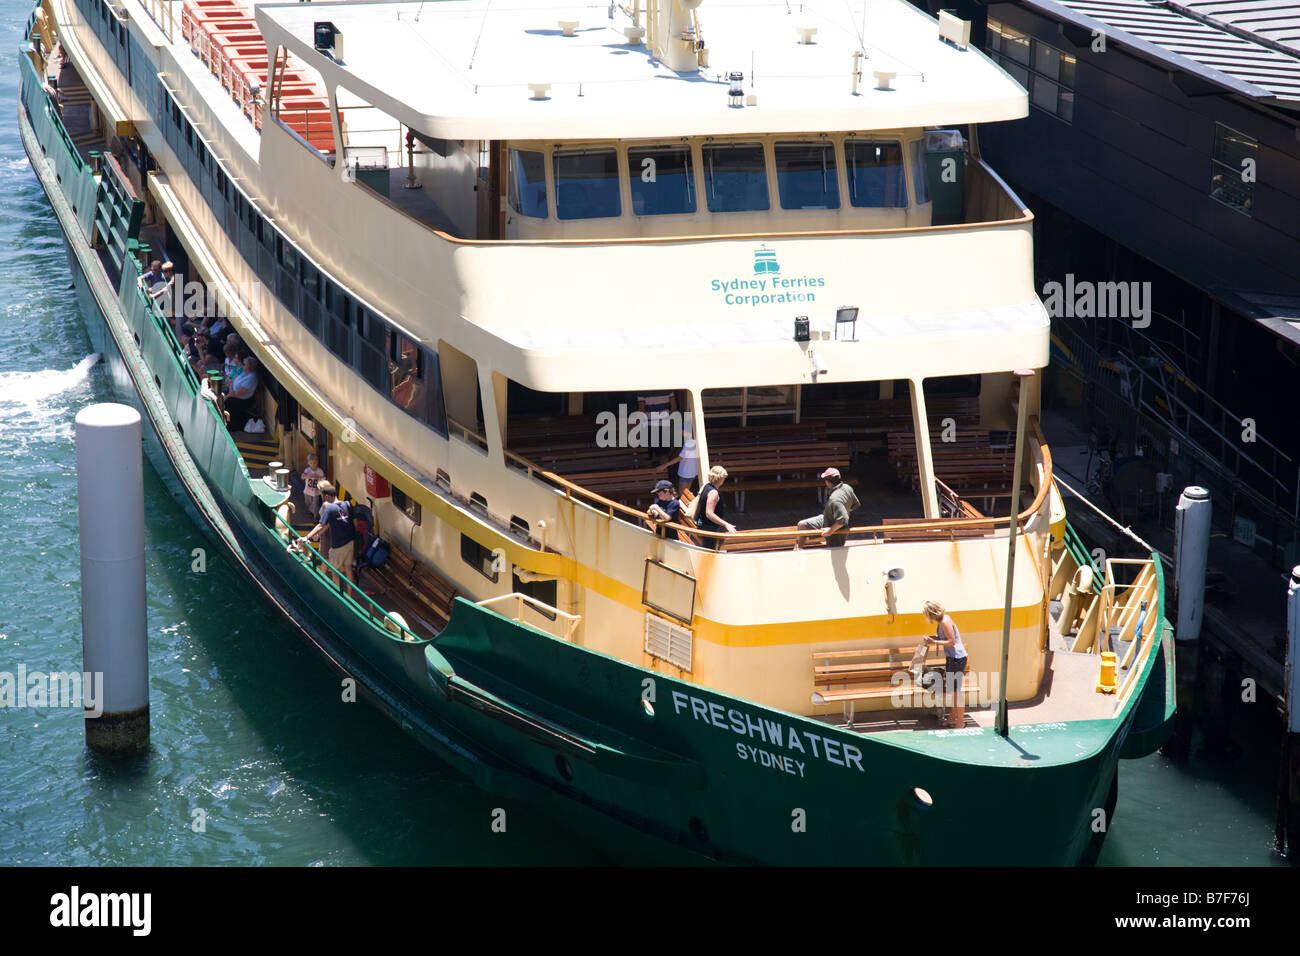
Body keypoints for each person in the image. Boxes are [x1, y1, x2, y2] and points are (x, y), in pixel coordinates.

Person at [923, 600, 968, 728]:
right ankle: (952, 719)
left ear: (932, 613)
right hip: (952, 658)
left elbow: (952, 642)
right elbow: (945, 639)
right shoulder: (943, 620)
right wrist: (932, 638)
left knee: (955, 692)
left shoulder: (945, 622)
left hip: (957, 659)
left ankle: (960, 723)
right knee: (953, 690)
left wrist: (935, 642)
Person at [304, 482, 355, 587]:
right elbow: (354, 522)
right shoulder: (347, 504)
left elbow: (322, 525)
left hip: (336, 543)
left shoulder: (329, 507)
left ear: (326, 496)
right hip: (350, 542)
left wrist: (308, 536)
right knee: (348, 568)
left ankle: (339, 595)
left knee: (334, 571)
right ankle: (349, 596)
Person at [797, 467, 859, 546]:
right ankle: (799, 549)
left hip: (835, 528)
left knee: (833, 550)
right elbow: (855, 505)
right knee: (802, 525)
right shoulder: (847, 487)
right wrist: (841, 511)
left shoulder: (835, 499)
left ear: (828, 482)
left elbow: (843, 519)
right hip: (826, 518)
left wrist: (830, 531)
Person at [696, 465, 736, 550]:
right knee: (709, 551)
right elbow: (709, 513)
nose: (724, 480)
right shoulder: (713, 493)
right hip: (708, 527)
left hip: (704, 524)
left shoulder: (707, 486)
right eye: (723, 478)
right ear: (719, 479)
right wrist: (726, 524)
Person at [658, 417, 699, 494]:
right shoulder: (696, 442)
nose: (681, 432)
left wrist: (665, 465)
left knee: (681, 495)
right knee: (686, 494)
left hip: (686, 472)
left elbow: (680, 458)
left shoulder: (689, 443)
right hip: (693, 472)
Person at [223, 356, 260, 431]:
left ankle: (231, 426)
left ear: (249, 366)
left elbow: (238, 394)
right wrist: (230, 391)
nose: (243, 365)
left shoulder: (252, 378)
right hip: (232, 394)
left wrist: (229, 394)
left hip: (242, 401)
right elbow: (233, 380)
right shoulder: (244, 373)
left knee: (228, 403)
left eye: (244, 364)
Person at [301, 453, 325, 520]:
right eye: (311, 463)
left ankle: (315, 516)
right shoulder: (307, 470)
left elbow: (323, 479)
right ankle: (309, 511)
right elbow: (302, 477)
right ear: (308, 463)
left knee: (315, 505)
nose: (313, 465)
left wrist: (318, 477)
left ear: (317, 462)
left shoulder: (319, 471)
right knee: (307, 502)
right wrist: (307, 476)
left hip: (316, 491)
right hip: (307, 490)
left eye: (314, 463)